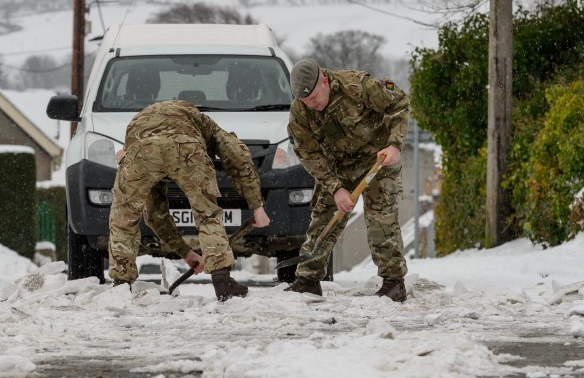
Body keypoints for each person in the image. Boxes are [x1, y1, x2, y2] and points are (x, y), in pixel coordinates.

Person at [108, 99, 271, 301]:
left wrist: (184, 252)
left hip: (141, 150)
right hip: (186, 146)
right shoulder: (206, 124)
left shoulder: (140, 122)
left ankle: (120, 286)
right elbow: (238, 157)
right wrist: (256, 206)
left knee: (124, 220)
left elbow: (155, 215)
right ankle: (223, 282)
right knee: (207, 214)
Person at [284, 58, 409, 302]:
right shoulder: (300, 112)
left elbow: (398, 103)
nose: (312, 104)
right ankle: (308, 280)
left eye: (314, 98)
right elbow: (308, 154)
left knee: (381, 222)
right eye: (305, 101)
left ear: (324, 80)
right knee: (323, 219)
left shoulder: (356, 86)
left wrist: (394, 145)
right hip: (337, 166)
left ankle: (394, 282)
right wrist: (335, 188)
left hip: (378, 159)